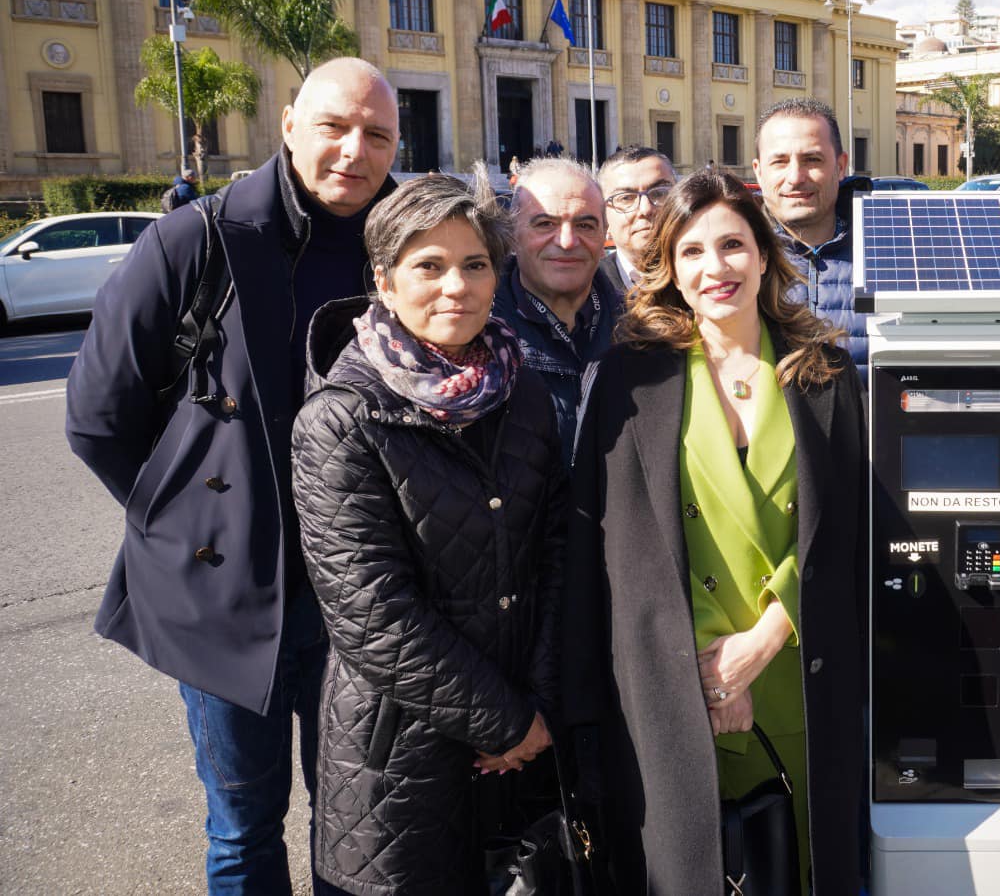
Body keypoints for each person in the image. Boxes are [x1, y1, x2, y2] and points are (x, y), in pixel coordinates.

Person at [65, 57, 399, 894]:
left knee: (356, 821)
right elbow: (99, 416)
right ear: (288, 125)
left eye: (378, 135)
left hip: (362, 598)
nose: (354, 151)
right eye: (334, 126)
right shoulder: (197, 239)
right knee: (243, 827)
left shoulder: (406, 244)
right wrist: (185, 520)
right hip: (226, 596)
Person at [563, 169, 867, 893]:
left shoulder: (824, 373)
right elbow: (609, 548)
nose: (715, 268)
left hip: (795, 674)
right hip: (675, 684)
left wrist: (760, 644)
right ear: (668, 268)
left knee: (800, 868)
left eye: (732, 245)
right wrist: (711, 674)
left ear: (764, 255)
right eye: (692, 251)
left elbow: (846, 532)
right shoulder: (627, 381)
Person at [290, 169, 565, 894]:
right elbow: (372, 615)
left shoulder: (522, 390)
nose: (456, 287)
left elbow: (558, 552)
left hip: (529, 737)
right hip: (401, 756)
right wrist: (505, 723)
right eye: (429, 266)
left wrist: (538, 705)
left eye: (475, 265)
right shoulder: (342, 418)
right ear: (384, 281)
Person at [492, 157, 619, 463]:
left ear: (605, 234)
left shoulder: (643, 332)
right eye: (545, 224)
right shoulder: (476, 335)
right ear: (512, 233)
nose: (567, 241)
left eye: (585, 225)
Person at [752, 97, 868, 379]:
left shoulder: (888, 250)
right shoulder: (735, 256)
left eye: (812, 160)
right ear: (759, 171)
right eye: (779, 162)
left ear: (841, 166)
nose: (795, 177)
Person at [597, 143, 676, 296]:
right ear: (604, 216)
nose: (645, 209)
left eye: (659, 193)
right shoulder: (584, 288)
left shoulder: (708, 277)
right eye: (626, 198)